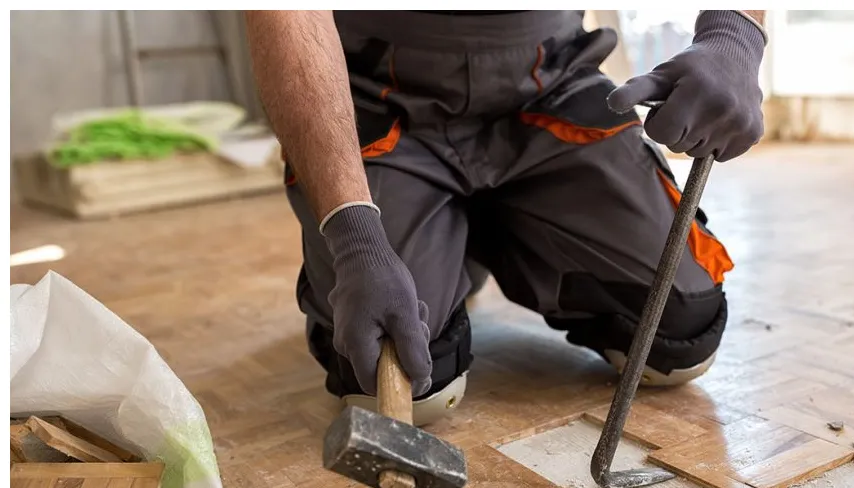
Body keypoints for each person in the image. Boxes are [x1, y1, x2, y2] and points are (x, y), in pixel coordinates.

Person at [245, 10, 767, 426]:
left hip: (547, 85)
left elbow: (734, 28)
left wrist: (733, 35)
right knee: (405, 383)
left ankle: (484, 227)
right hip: (378, 94)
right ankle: (439, 228)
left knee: (681, 337)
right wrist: (354, 236)